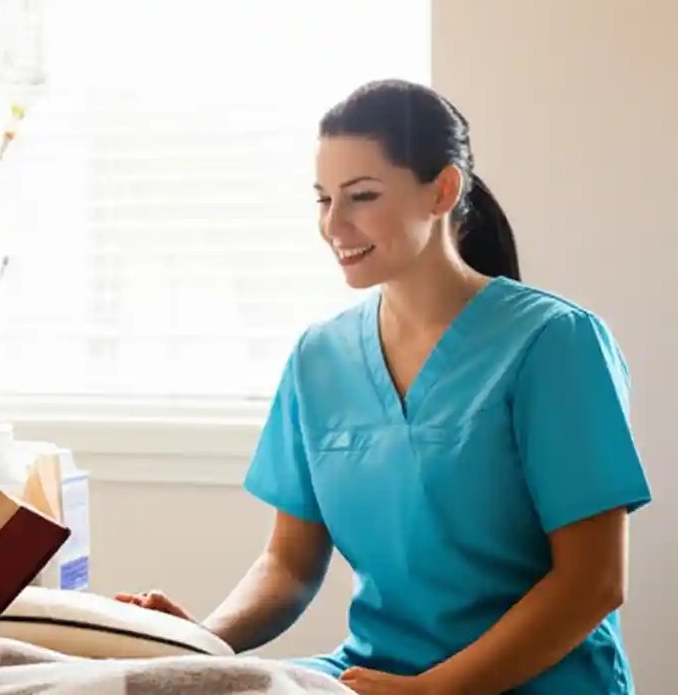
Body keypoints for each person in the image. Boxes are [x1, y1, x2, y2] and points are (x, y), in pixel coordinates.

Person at [117, 80, 652, 694]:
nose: (334, 224)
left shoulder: (555, 343)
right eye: (322, 200)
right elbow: (289, 566)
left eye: (361, 196)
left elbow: (593, 583)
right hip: (375, 677)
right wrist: (200, 646)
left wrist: (439, 689)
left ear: (443, 190)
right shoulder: (319, 357)